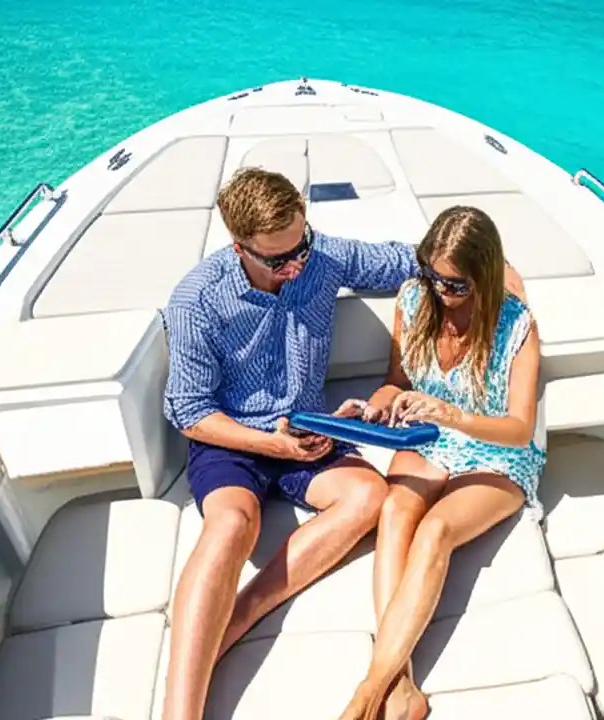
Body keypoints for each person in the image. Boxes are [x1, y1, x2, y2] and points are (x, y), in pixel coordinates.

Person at [158, 167, 419, 720]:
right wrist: (267, 445)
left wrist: (485, 267)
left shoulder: (319, 256)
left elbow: (406, 260)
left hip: (306, 429)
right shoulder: (196, 301)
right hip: (230, 438)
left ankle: (241, 614)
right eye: (278, 259)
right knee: (233, 523)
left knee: (370, 498)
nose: (296, 264)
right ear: (239, 247)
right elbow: (190, 412)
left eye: (300, 245)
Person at [336, 206, 546, 720]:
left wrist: (453, 414)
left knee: (435, 532)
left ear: (484, 277)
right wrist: (375, 406)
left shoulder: (516, 327)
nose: (439, 291)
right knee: (393, 512)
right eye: (430, 275)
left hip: (498, 451)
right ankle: (400, 688)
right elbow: (398, 381)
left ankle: (367, 693)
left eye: (454, 284)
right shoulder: (415, 300)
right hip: (429, 437)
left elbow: (519, 427)